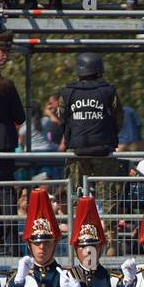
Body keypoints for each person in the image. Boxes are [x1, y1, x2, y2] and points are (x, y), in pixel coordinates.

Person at [56, 51, 120, 207]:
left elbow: (61, 118)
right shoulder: (108, 91)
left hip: (77, 152)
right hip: (103, 150)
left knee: (76, 195)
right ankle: (110, 230)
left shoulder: (67, 93)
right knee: (108, 196)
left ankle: (78, 229)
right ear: (99, 70)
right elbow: (118, 117)